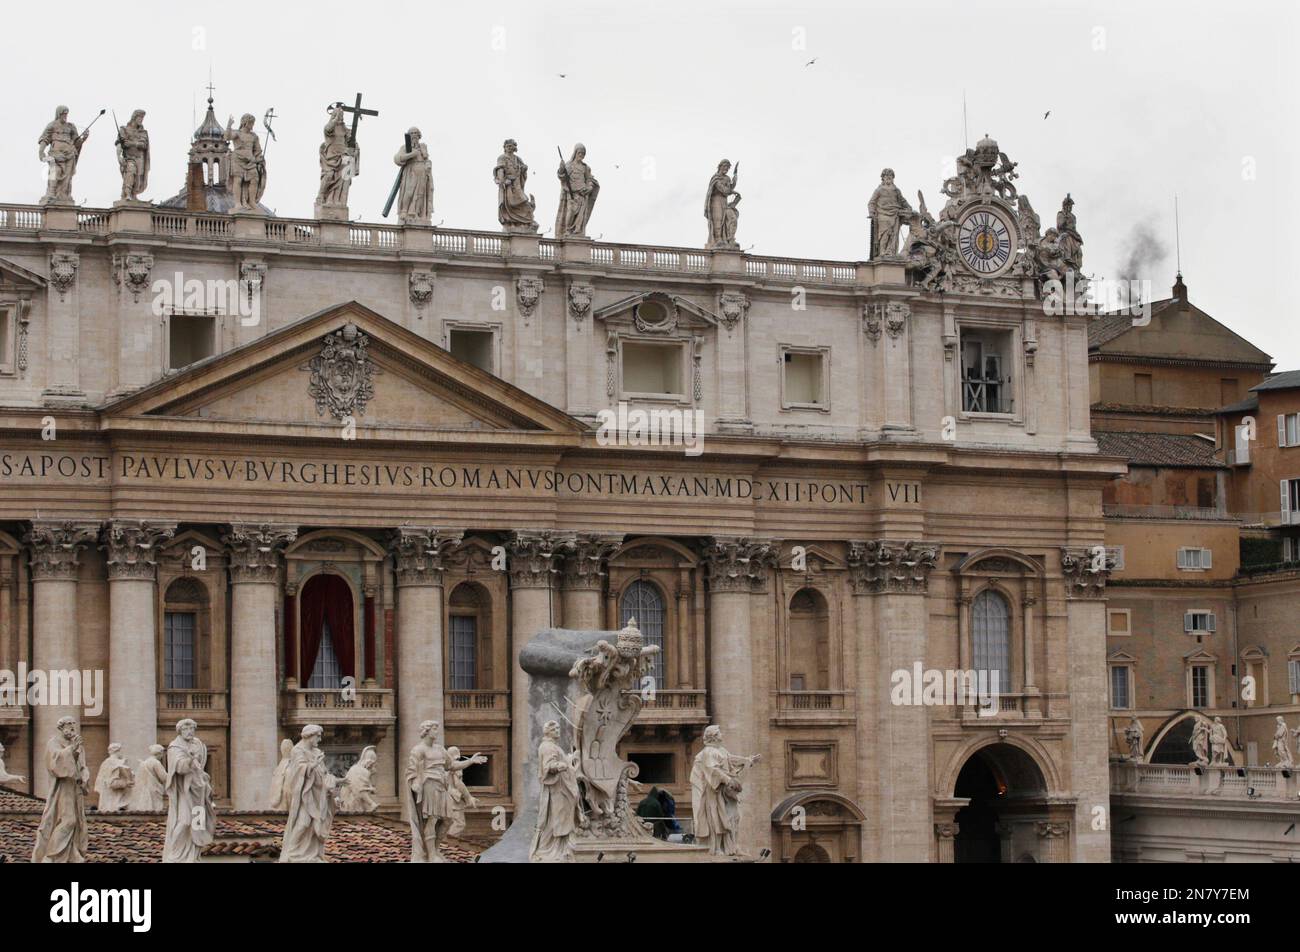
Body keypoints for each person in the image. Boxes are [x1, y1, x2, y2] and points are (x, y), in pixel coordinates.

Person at [32, 716, 90, 863]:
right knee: (68, 820)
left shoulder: (77, 744)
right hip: (62, 789)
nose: (72, 727)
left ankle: (70, 853)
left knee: (77, 821)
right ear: (61, 727)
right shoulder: (53, 743)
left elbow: (82, 766)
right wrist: (72, 750)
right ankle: (52, 855)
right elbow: (55, 764)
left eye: (73, 724)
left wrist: (83, 775)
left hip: (74, 787)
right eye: (69, 724)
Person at [280, 724, 337, 863]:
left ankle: (312, 855)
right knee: (304, 822)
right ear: (310, 736)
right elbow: (297, 771)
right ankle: (291, 854)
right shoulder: (297, 750)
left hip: (318, 795)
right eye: (318, 736)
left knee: (313, 826)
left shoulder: (316, 752)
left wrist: (338, 781)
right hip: (304, 795)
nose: (320, 739)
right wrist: (313, 765)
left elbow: (324, 774)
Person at [530, 720, 584, 862]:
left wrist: (568, 760)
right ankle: (548, 851)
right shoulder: (548, 747)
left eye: (558, 728)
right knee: (555, 821)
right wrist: (560, 765)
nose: (558, 730)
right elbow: (548, 766)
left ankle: (561, 851)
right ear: (547, 731)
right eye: (554, 729)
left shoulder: (552, 746)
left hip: (562, 788)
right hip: (558, 791)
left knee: (560, 820)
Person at [163, 718, 215, 862]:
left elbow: (201, 763)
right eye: (187, 729)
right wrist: (191, 761)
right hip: (184, 791)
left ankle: (193, 856)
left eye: (192, 729)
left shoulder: (198, 744)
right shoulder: (175, 747)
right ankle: (174, 855)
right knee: (185, 821)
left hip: (198, 790)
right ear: (180, 731)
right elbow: (178, 767)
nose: (190, 732)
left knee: (198, 823)